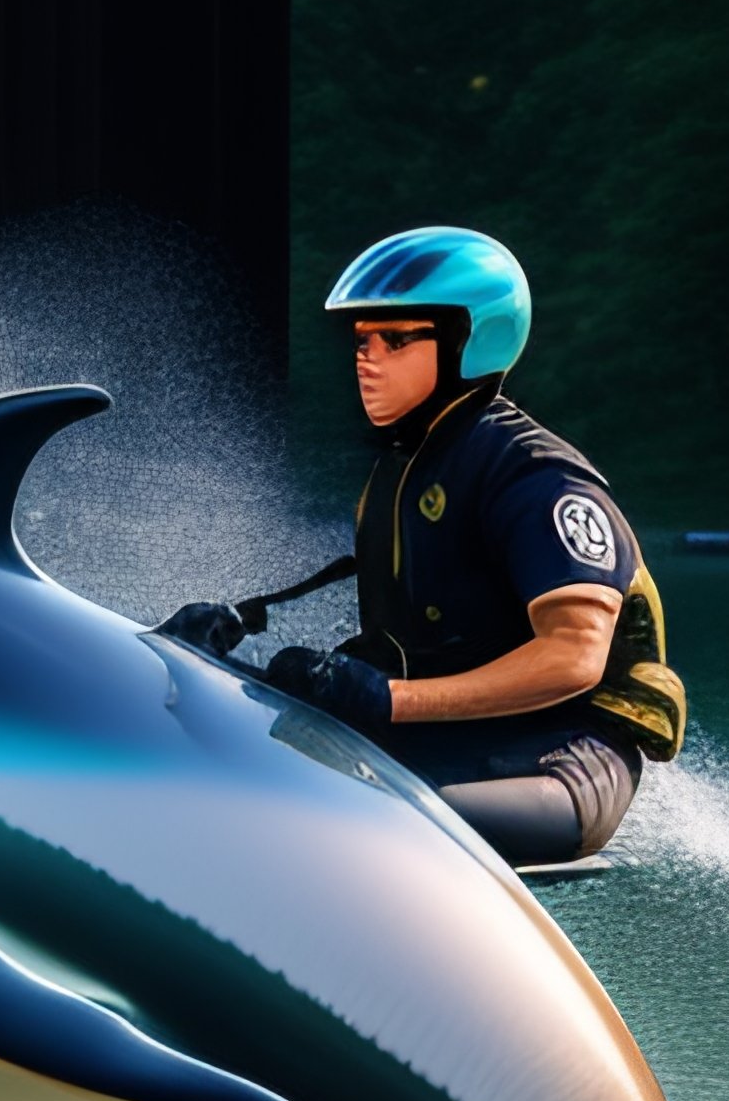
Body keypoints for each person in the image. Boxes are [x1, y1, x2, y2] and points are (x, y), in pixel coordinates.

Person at [161, 226, 685, 866]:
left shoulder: (534, 474)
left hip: (560, 759)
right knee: (231, 753)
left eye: (397, 339)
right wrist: (227, 673)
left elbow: (574, 658)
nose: (367, 358)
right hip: (448, 739)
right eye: (362, 340)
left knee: (337, 820)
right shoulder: (407, 468)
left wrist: (387, 699)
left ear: (472, 342)